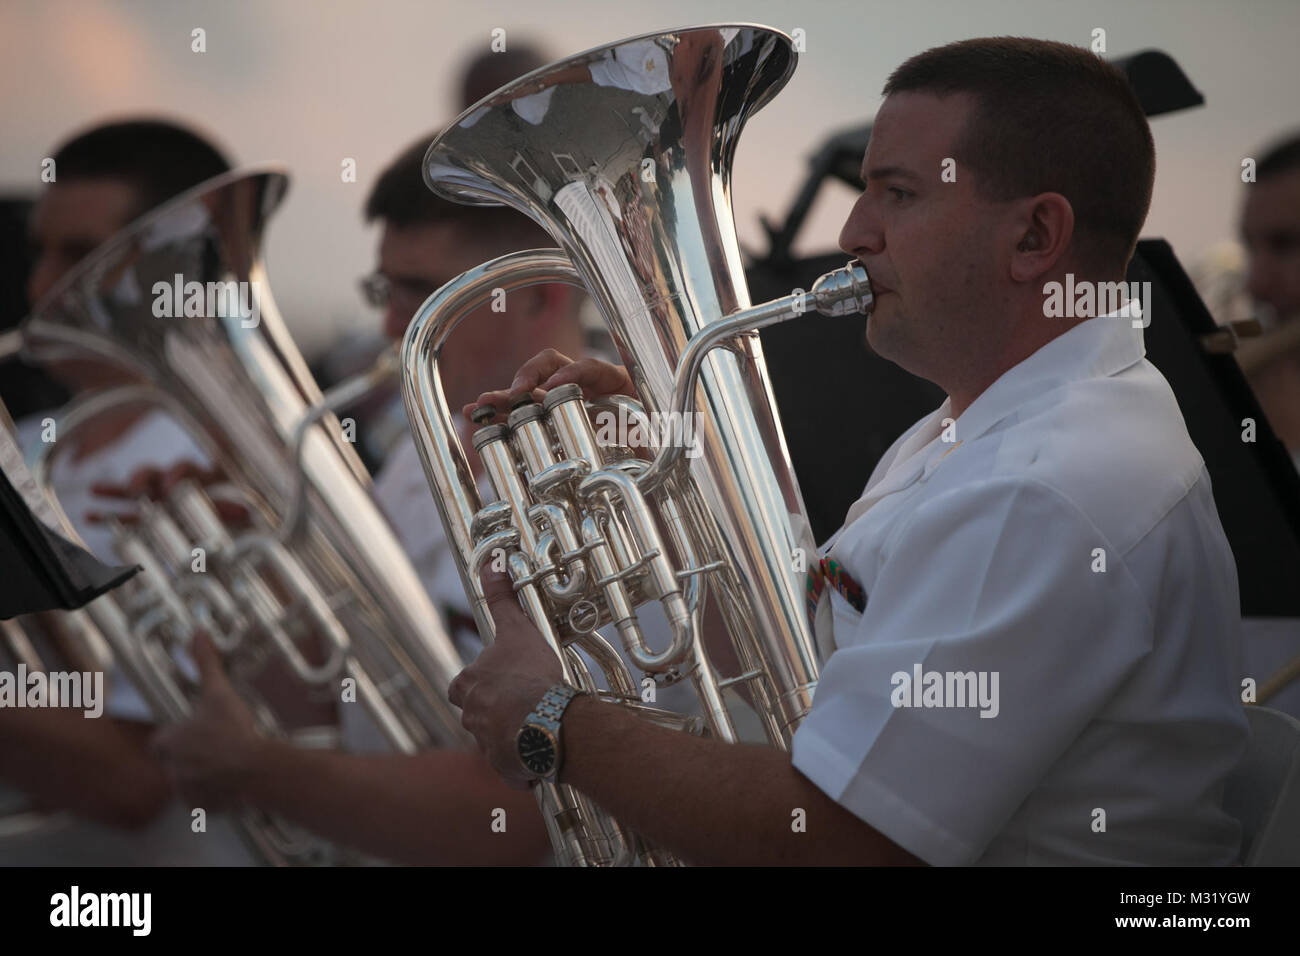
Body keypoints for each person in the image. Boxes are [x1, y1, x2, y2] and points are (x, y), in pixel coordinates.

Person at [449, 37, 1249, 866]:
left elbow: (839, 836)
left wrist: (552, 722)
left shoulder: (1038, 489)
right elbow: (802, 666)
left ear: (1036, 237)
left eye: (897, 195)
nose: (851, 232)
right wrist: (664, 482)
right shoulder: (979, 431)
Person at [1, 118, 254, 864]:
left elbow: (139, 782)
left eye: (82, 256)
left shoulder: (218, 467)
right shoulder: (26, 442)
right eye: (39, 251)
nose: (41, 286)